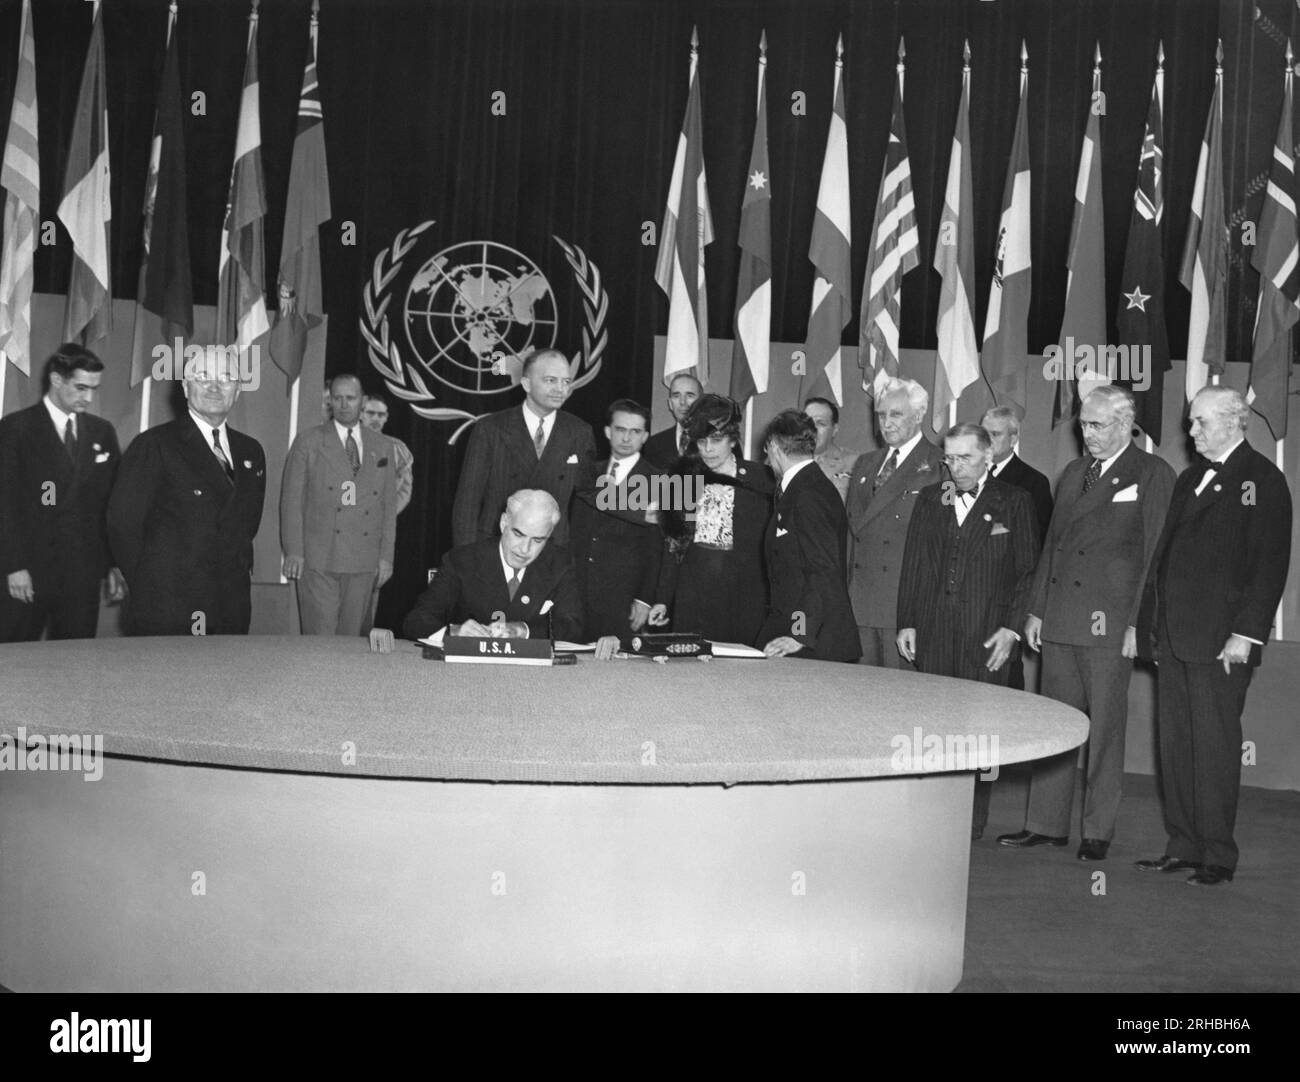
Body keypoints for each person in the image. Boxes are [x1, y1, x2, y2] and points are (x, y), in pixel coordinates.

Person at [998, 385, 1174, 862]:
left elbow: (1156, 556)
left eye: (1097, 426)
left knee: (1105, 732)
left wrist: (1140, 623)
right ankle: (1046, 824)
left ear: (1125, 425)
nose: (1088, 435)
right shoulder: (1073, 473)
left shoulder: (1153, 473)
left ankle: (1098, 829)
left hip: (1112, 625)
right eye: (1084, 426)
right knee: (1057, 726)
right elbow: (1051, 547)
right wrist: (1035, 610)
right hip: (1060, 619)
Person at [1135, 387, 1292, 886]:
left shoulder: (1262, 480)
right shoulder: (1189, 479)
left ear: (1235, 421)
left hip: (1222, 642)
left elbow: (1268, 565)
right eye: (1190, 422)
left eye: (1201, 422)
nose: (1191, 431)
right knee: (1177, 745)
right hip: (1176, 638)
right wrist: (1151, 630)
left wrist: (1245, 634)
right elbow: (1162, 562)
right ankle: (1182, 843)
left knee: (1216, 748)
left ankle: (1218, 855)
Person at [897, 423, 1040, 839]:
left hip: (988, 633)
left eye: (965, 458)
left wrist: (1012, 629)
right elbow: (915, 563)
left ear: (988, 456)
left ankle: (971, 824)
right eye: (950, 458)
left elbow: (1027, 572)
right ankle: (932, 817)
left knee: (979, 730)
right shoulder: (930, 498)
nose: (955, 466)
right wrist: (908, 619)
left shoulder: (1015, 501)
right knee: (935, 726)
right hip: (935, 629)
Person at [107, 345, 267, 635]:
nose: (215, 386)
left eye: (227, 378)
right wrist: (148, 586)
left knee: (228, 679)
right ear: (185, 387)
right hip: (169, 604)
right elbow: (122, 525)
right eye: (203, 376)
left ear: (239, 390)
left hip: (231, 603)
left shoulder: (251, 451)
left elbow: (247, 524)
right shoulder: (154, 445)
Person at [0, 344, 124, 640]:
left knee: (75, 663)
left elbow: (111, 504)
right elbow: (5, 504)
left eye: (94, 389)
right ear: (57, 380)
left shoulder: (101, 431)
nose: (89, 398)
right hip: (28, 571)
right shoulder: (15, 428)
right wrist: (14, 566)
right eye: (81, 388)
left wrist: (114, 563)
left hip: (82, 573)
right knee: (16, 659)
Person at [648, 394, 772, 645]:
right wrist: (662, 598)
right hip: (693, 595)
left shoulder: (762, 479)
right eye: (702, 441)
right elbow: (673, 545)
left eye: (717, 440)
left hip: (744, 597)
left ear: (733, 439)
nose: (708, 449)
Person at [281, 374, 398, 636]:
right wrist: (294, 551)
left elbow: (388, 507)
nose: (344, 405)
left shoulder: (383, 446)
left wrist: (386, 557)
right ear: (329, 401)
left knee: (353, 640)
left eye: (351, 398)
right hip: (319, 557)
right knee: (320, 638)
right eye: (337, 398)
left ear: (363, 401)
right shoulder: (308, 442)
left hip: (364, 559)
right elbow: (291, 502)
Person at [845, 377, 945, 667]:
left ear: (919, 415)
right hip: (860, 601)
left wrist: (920, 612)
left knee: (900, 699)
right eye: (881, 414)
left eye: (896, 414)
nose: (886, 423)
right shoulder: (865, 463)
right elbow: (851, 535)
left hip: (903, 605)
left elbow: (940, 546)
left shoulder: (939, 464)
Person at [451, 348, 596, 547]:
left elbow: (590, 490)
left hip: (551, 553)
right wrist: (466, 561)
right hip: (496, 547)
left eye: (566, 382)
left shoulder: (580, 432)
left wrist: (639, 506)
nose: (560, 389)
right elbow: (467, 503)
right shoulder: (491, 429)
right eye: (550, 380)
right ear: (526, 383)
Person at [403, 489, 582, 642]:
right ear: (504, 523)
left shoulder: (560, 564)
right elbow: (416, 621)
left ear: (549, 536)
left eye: (537, 540)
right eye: (518, 534)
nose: (525, 549)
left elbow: (572, 626)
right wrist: (454, 632)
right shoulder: (462, 561)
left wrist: (525, 631)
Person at [757, 410, 859, 661]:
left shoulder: (808, 494)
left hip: (813, 641)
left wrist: (799, 634)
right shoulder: (802, 487)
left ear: (774, 447)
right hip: (795, 626)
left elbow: (822, 569)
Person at [569, 399, 662, 641]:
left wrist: (644, 598)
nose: (626, 438)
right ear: (608, 431)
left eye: (635, 431)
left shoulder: (659, 481)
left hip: (623, 597)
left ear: (645, 436)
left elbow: (657, 549)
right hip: (575, 592)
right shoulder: (587, 472)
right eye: (620, 429)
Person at [981, 406, 1053, 544]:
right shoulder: (968, 475)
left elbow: (1037, 537)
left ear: (1013, 439)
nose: (987, 440)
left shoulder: (1034, 482)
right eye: (983, 434)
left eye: (995, 434)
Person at [361, 392, 414, 514]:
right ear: (360, 414)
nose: (375, 418)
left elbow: (405, 490)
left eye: (381, 414)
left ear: (386, 417)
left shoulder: (399, 449)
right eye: (370, 413)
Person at [804, 396, 859, 503]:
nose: (812, 429)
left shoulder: (855, 463)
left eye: (820, 423)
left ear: (835, 430)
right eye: (807, 423)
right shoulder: (786, 461)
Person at [642, 372, 702, 467]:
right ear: (670, 404)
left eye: (690, 395)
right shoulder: (654, 444)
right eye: (676, 396)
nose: (683, 402)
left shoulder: (717, 441)